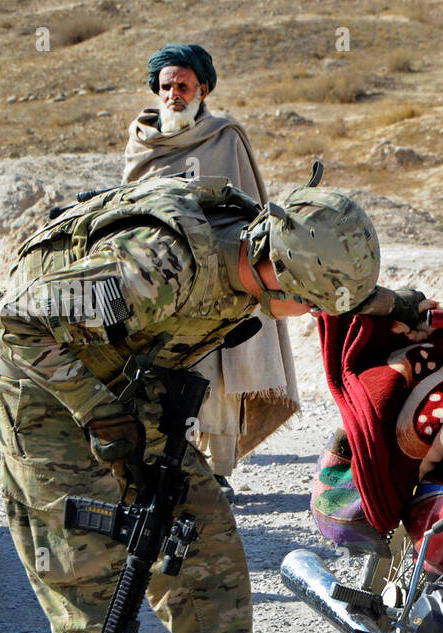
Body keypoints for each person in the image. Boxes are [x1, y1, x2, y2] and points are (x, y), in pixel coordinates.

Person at [0, 175, 432, 633]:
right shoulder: (157, 267)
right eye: (308, 302)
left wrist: (396, 304)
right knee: (91, 572)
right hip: (47, 396)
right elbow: (20, 323)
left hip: (128, 387)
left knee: (205, 539)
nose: (312, 314)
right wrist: (100, 416)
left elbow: (331, 290)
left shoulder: (267, 252)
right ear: (273, 272)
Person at [124, 43, 300, 497]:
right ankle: (166, 462)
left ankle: (216, 469)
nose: (174, 95)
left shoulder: (226, 137)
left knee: (218, 372)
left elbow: (250, 212)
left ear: (202, 89)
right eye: (166, 87)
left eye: (183, 86)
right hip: (160, 281)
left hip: (219, 278)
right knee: (159, 369)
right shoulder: (142, 140)